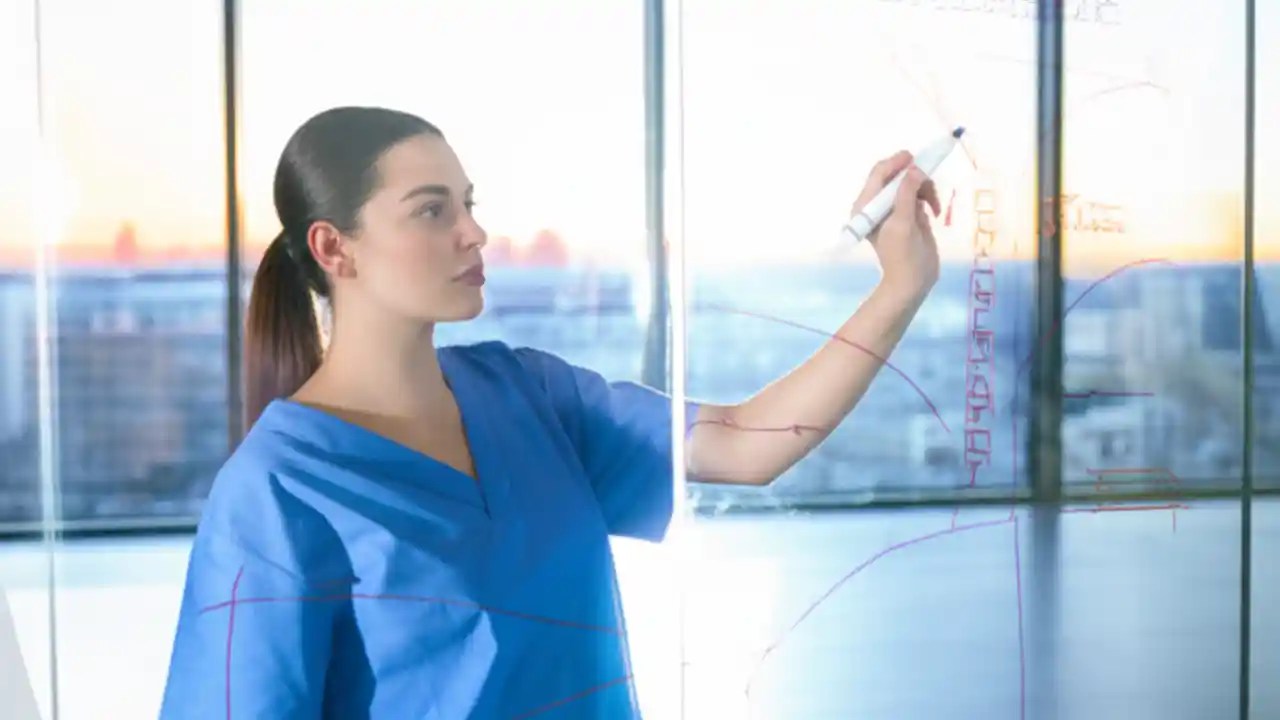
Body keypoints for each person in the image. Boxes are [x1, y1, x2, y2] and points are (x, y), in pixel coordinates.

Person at [159, 106, 942, 719]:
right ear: (335, 249)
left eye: (467, 205)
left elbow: (750, 445)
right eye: (432, 212)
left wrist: (900, 285)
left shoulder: (529, 395)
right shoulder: (274, 493)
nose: (475, 233)